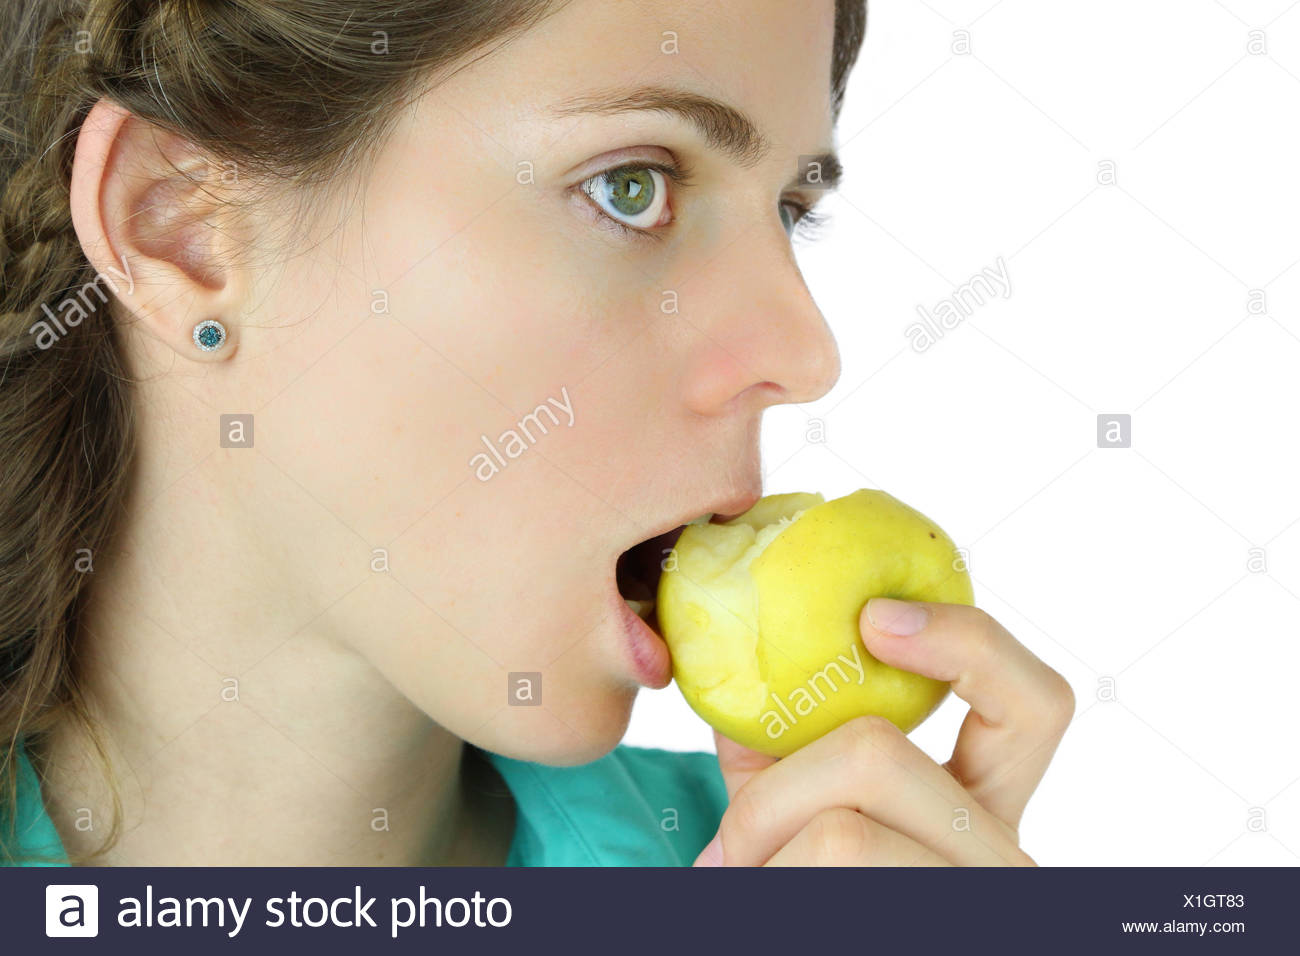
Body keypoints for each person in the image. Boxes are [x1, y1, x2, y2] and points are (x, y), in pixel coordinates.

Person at [0, 0, 1072, 867]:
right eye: (631, 186)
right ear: (178, 221)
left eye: (787, 209)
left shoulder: (806, 873)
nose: (805, 350)